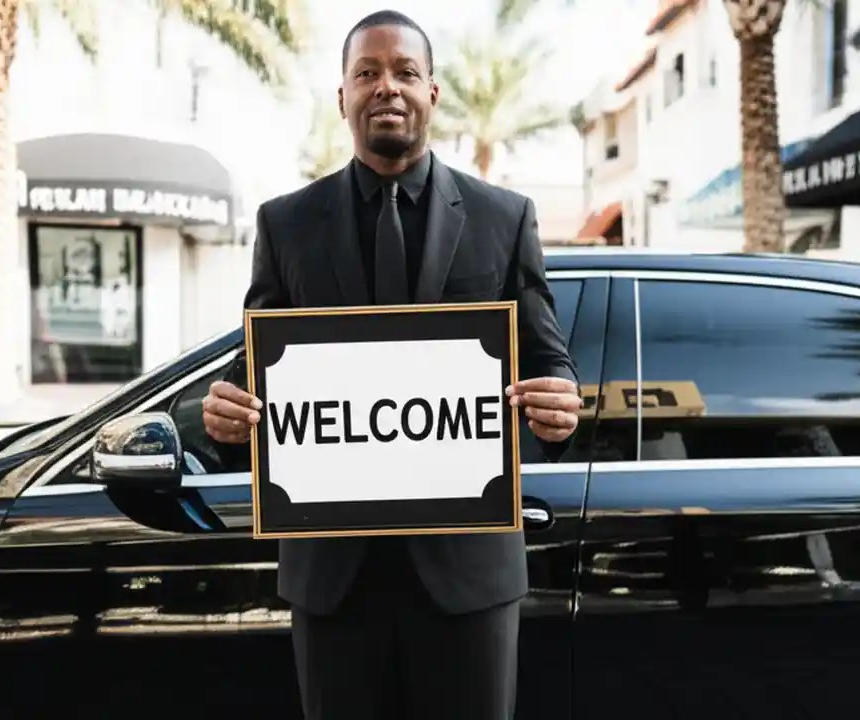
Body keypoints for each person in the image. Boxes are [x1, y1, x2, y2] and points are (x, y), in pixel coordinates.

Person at [201, 10, 581, 719]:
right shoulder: (285, 224)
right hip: (334, 581)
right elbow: (254, 382)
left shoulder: (505, 218)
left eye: (406, 72)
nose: (387, 88)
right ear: (340, 97)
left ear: (433, 93)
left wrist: (560, 405)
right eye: (366, 73)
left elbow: (550, 364)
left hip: (467, 581)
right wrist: (226, 417)